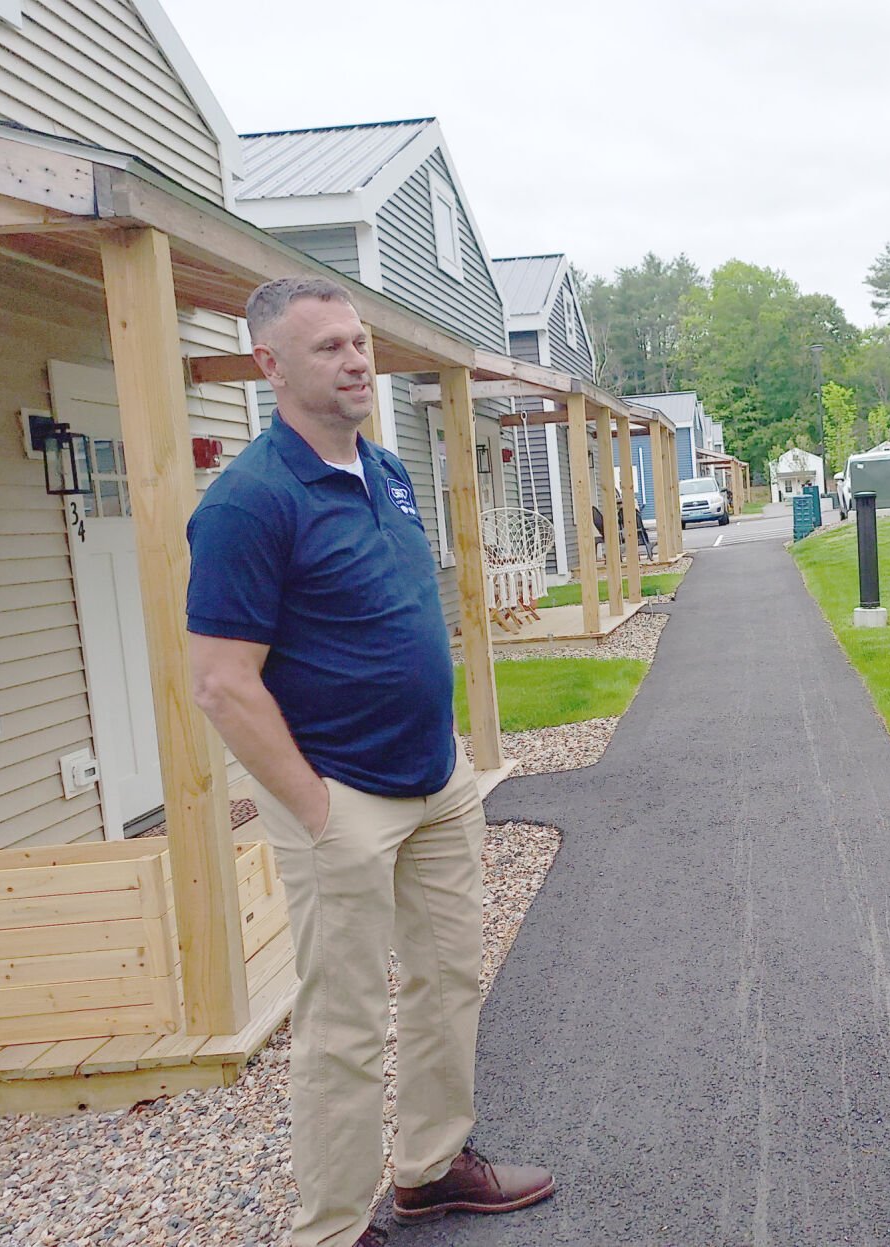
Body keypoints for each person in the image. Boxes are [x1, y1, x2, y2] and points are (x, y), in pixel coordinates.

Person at [187, 277, 554, 1247]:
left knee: (449, 979)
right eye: (329, 347)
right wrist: (315, 810)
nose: (356, 360)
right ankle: (334, 1227)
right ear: (269, 364)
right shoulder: (248, 502)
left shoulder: (386, 469)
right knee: (345, 1024)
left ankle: (430, 1167)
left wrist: (450, 751)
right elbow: (221, 682)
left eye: (359, 342)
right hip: (339, 795)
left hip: (435, 781)